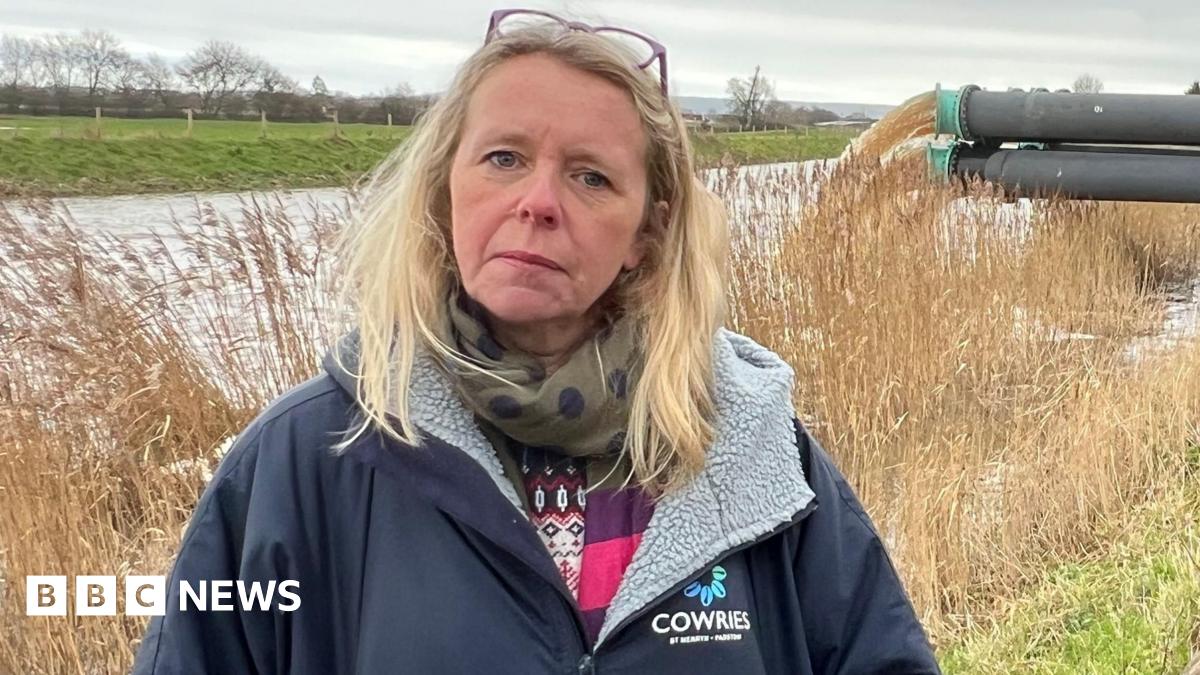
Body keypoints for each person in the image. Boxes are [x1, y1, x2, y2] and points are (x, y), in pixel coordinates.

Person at [133, 9, 940, 674]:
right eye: (504, 158)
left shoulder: (753, 450)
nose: (538, 201)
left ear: (647, 232)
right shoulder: (305, 458)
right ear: (444, 189)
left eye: (591, 176)